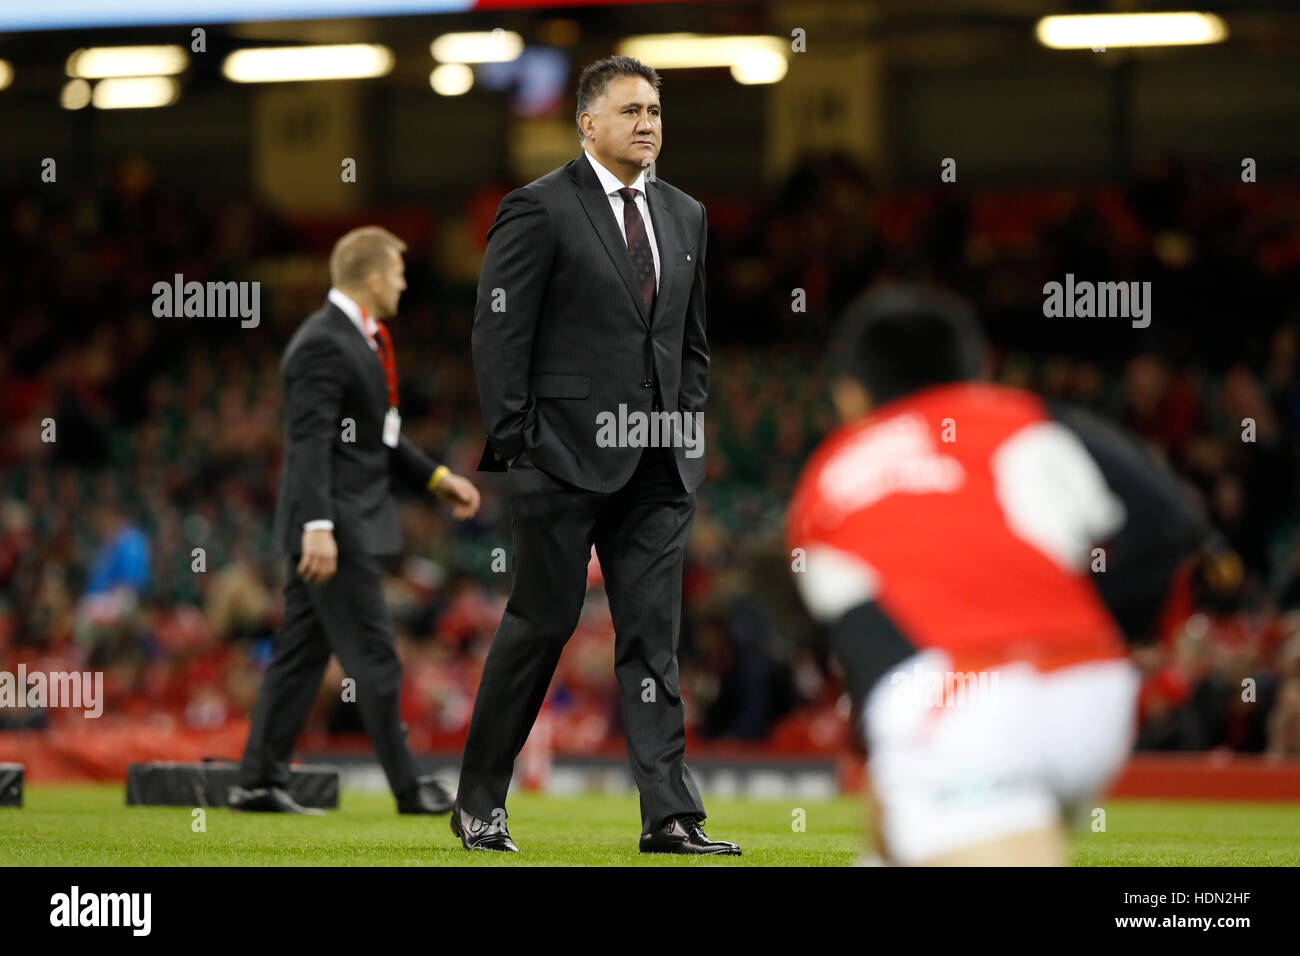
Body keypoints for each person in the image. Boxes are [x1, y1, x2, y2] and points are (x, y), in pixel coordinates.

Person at [785, 282, 1210, 865]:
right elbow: (1171, 521)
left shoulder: (832, 473)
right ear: (978, 369)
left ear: (852, 394)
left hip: (968, 702)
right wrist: (1099, 624)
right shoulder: (1029, 418)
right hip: (1094, 692)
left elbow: (863, 640)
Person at [456, 56, 738, 854]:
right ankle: (479, 800)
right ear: (587, 124)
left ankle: (671, 817)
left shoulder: (687, 215)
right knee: (540, 626)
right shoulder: (538, 208)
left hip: (657, 464)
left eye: (654, 110)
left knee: (653, 641)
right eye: (629, 111)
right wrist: (519, 441)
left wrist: (685, 427)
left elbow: (690, 344)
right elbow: (497, 327)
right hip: (561, 458)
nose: (647, 123)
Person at [231, 226, 481, 815]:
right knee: (375, 656)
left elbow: (384, 439)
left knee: (299, 655)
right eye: (396, 272)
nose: (402, 282)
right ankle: (408, 787)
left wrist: (439, 480)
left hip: (340, 523)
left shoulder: (365, 341)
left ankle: (259, 781)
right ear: (371, 277)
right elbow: (310, 441)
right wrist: (317, 525)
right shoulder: (325, 343)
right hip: (335, 528)